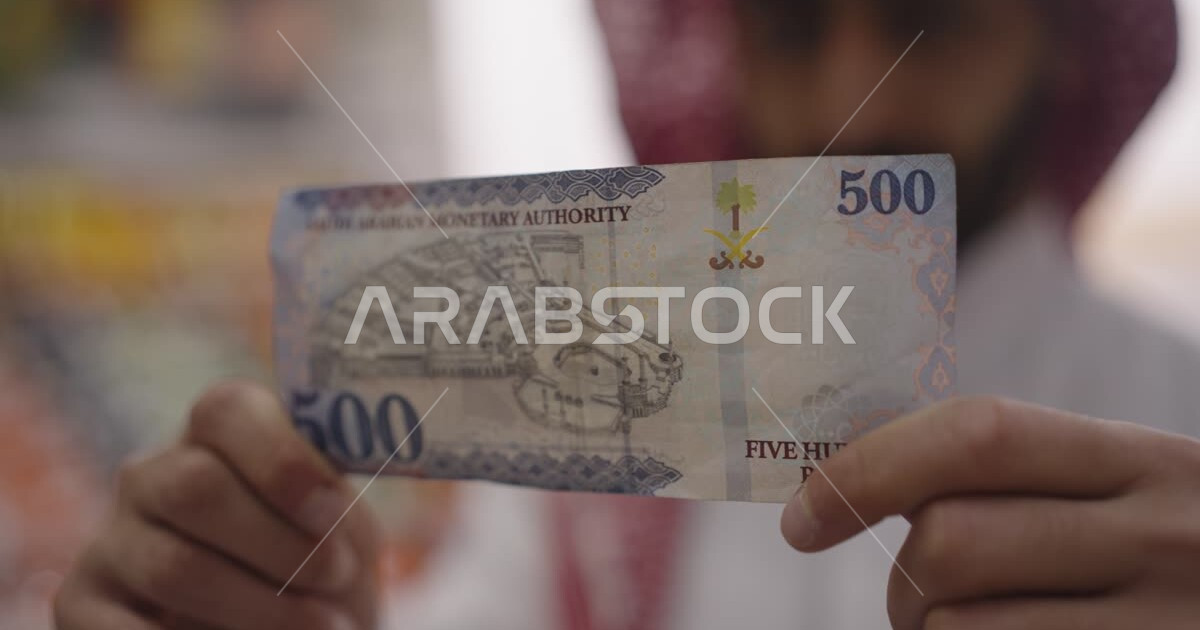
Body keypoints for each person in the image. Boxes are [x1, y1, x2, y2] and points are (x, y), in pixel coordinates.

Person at [54, 0, 1200, 628]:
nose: (865, 102)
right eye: (793, 29)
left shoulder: (1178, 418)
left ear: (1062, 42)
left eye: (930, 23)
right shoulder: (595, 423)